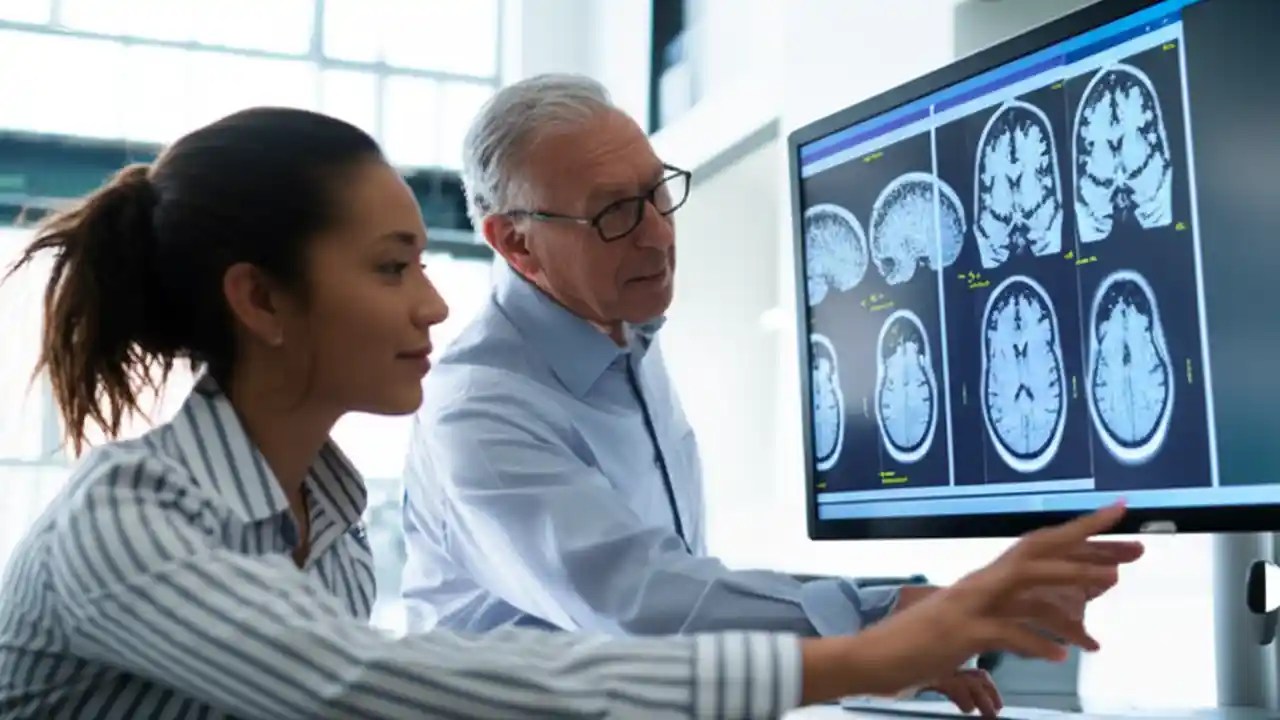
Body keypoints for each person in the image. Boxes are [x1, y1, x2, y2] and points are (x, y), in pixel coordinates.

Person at [0, 105, 1138, 720]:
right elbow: (371, 690)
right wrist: (863, 647)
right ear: (261, 299)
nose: (435, 303)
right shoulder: (132, 521)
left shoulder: (327, 524)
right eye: (394, 268)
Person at [397, 74, 1136, 679]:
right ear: (516, 243)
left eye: (657, 192)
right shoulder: (479, 408)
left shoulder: (627, 339)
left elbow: (682, 578)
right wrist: (885, 623)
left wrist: (888, 639)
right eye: (616, 214)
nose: (658, 232)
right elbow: (636, 602)